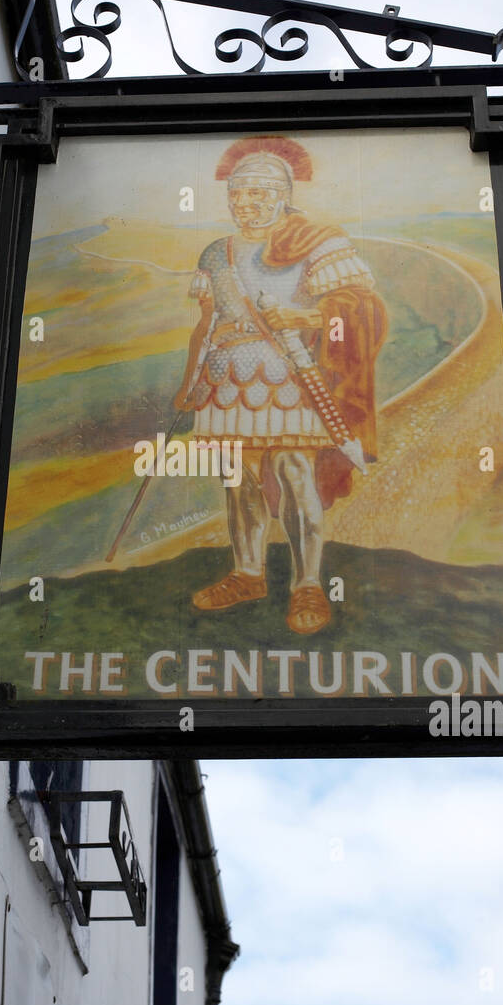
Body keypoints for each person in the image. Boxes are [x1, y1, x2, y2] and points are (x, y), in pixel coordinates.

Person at [174, 135, 387, 635]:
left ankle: (308, 584)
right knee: (239, 479)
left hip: (291, 373)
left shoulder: (319, 244)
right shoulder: (215, 253)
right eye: (237, 195)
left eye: (258, 195)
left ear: (283, 196)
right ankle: (247, 573)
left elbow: (357, 315)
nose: (245, 204)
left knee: (295, 473)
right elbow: (205, 325)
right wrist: (188, 383)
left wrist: (301, 314)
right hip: (228, 379)